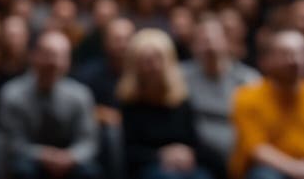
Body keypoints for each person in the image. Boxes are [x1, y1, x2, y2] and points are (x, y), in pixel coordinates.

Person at [0, 31, 99, 179]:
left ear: (68, 61)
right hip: (29, 161)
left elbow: (88, 141)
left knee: (89, 172)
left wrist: (71, 157)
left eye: (61, 56)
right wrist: (43, 155)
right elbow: (12, 142)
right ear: (34, 55)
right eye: (49, 55)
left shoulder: (81, 95)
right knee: (22, 170)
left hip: (69, 161)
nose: (54, 62)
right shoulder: (12, 93)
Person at [230, 30, 304, 179]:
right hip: (269, 169)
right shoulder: (247, 96)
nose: (295, 61)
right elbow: (256, 149)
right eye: (286, 54)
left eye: (302, 53)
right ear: (268, 60)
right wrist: (299, 170)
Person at [118, 28, 211, 179]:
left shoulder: (181, 100)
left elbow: (195, 142)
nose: (152, 66)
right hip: (149, 167)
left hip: (184, 166)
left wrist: (187, 153)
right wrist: (161, 155)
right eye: (146, 61)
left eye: (157, 59)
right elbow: (128, 152)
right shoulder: (129, 102)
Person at [181, 19, 259, 179]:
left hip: (244, 157)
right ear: (193, 46)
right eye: (203, 41)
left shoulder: (249, 80)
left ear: (227, 42)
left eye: (215, 39)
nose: (210, 46)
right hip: (198, 160)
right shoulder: (179, 77)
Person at [73, 18, 136, 179]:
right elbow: (75, 108)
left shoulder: (143, 73)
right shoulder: (87, 73)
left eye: (127, 39)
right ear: (106, 42)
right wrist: (102, 114)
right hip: (98, 136)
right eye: (117, 39)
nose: (122, 45)